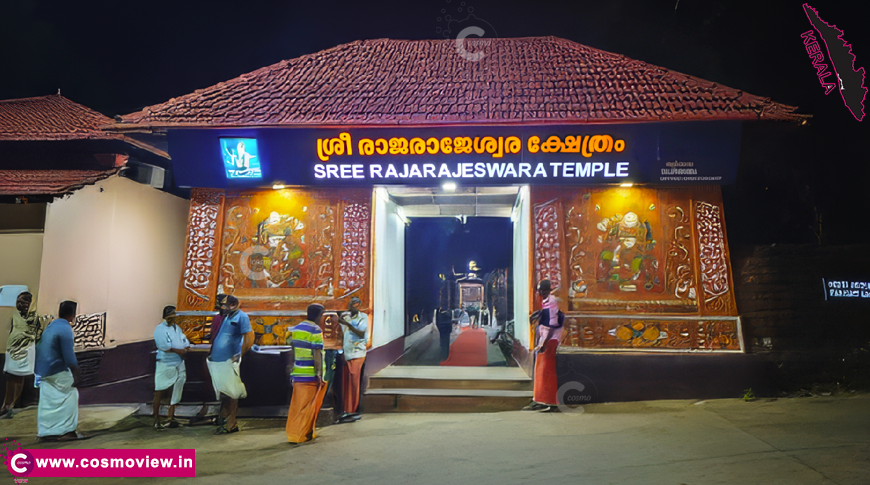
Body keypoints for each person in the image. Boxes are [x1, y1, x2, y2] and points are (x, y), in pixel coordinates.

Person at [35, 300, 88, 441]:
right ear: (73, 314)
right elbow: (69, 356)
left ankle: (46, 432)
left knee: (48, 400)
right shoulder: (65, 328)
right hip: (57, 369)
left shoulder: (51, 326)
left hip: (43, 371)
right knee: (71, 393)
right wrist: (77, 374)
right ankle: (67, 432)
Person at [207, 295, 254, 434]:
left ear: (233, 305)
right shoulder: (227, 316)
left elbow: (249, 337)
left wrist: (240, 354)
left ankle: (231, 423)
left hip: (229, 360)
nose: (222, 307)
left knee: (232, 392)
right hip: (218, 360)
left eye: (224, 304)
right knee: (224, 392)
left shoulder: (242, 317)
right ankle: (223, 417)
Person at [285, 304, 327, 444]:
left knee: (297, 405)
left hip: (298, 373)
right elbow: (317, 354)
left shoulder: (297, 328)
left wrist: (291, 368)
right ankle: (303, 434)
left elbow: (292, 350)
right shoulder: (315, 330)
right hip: (310, 374)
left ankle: (294, 433)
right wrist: (319, 373)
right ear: (318, 315)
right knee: (309, 406)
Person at [1, 292, 44, 418]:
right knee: (10, 377)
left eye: (25, 303)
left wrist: (27, 338)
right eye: (19, 302)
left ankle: (11, 406)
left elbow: (38, 334)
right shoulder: (14, 315)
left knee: (20, 377)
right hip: (13, 349)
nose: (21, 305)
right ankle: (6, 404)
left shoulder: (35, 318)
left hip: (25, 350)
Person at [523, 280, 562, 412]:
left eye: (542, 291)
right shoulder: (546, 302)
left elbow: (553, 325)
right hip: (544, 339)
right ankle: (539, 399)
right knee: (540, 370)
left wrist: (545, 343)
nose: (540, 293)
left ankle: (551, 401)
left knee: (546, 370)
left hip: (549, 340)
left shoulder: (551, 302)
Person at [189, 293, 227, 426]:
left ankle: (222, 412)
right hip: (216, 354)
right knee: (212, 382)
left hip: (224, 355)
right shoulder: (217, 319)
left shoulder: (230, 319)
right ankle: (214, 410)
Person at [152, 306, 190, 430]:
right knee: (160, 390)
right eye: (170, 317)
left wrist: (186, 347)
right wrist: (179, 350)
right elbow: (165, 346)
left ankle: (170, 417)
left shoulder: (176, 328)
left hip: (178, 361)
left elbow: (184, 339)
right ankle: (156, 419)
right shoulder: (160, 329)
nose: (172, 319)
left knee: (177, 388)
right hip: (165, 362)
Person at [337, 297, 368, 423]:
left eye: (355, 305)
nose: (353, 307)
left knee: (354, 381)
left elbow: (361, 333)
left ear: (359, 305)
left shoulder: (363, 317)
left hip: (358, 352)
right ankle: (347, 410)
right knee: (347, 382)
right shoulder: (346, 316)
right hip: (347, 352)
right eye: (351, 305)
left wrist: (348, 324)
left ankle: (353, 410)